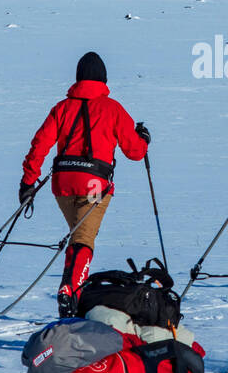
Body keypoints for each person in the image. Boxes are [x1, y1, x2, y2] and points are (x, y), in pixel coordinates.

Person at [19, 52, 150, 316]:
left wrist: (28, 182)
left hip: (63, 185)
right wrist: (144, 138)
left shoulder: (61, 108)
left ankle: (74, 288)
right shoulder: (113, 108)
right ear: (103, 78)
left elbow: (39, 145)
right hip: (94, 186)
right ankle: (70, 291)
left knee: (79, 237)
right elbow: (135, 152)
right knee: (84, 238)